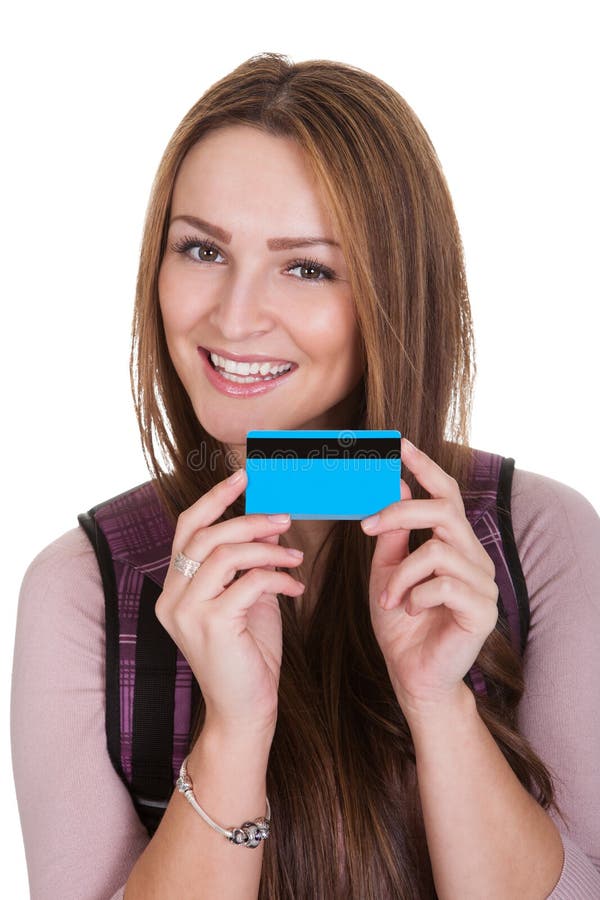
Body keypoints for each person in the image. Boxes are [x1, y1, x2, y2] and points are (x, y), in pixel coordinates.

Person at [10, 51, 600, 900]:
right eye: (202, 249)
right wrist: (235, 733)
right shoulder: (81, 588)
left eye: (308, 266)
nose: (234, 316)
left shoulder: (540, 539)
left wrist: (440, 707)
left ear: (395, 292)